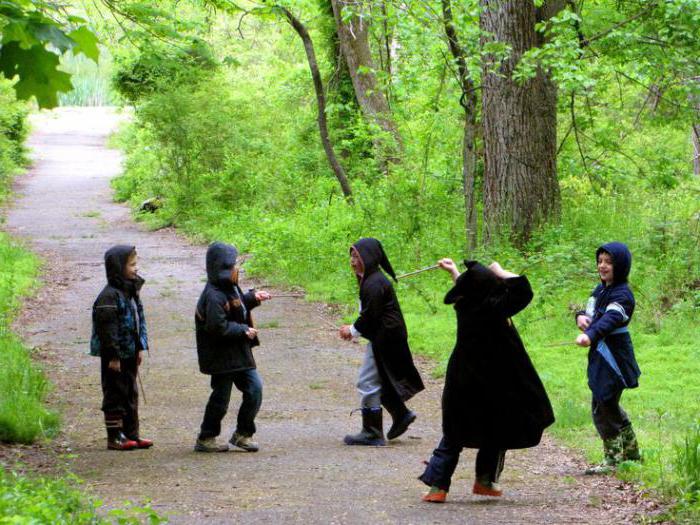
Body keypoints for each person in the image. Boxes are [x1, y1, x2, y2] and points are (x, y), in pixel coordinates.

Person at [419, 259, 554, 502]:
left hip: (462, 380)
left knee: (454, 432)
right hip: (493, 384)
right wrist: (501, 271)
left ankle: (437, 487)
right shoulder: (494, 308)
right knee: (496, 427)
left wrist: (454, 272)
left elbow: (468, 288)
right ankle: (485, 479)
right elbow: (523, 289)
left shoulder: (466, 305)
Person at [339, 237, 424, 446]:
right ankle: (401, 415)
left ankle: (372, 432)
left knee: (367, 381)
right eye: (351, 256)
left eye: (357, 256)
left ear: (369, 257)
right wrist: (355, 329)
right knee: (381, 378)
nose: (352, 261)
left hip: (386, 338)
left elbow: (370, 316)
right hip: (386, 336)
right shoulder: (372, 280)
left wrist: (351, 330)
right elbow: (370, 314)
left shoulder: (375, 282)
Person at [194, 242, 271, 453]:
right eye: (232, 265)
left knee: (255, 389)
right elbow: (217, 326)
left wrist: (253, 298)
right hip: (221, 357)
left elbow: (238, 306)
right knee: (221, 398)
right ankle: (206, 437)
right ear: (221, 266)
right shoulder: (213, 295)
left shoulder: (230, 287)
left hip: (239, 354)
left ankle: (243, 434)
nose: (236, 269)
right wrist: (243, 330)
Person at [574, 242, 641, 474]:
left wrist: (590, 335)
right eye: (600, 261)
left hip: (614, 357)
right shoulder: (600, 289)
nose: (602, 266)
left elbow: (610, 319)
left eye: (608, 262)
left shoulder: (623, 295)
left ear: (620, 266)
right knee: (606, 403)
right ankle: (632, 455)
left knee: (604, 403)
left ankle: (613, 459)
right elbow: (592, 313)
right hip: (600, 355)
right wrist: (580, 317)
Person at [90, 245, 152, 450]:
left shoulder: (130, 291)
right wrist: (113, 356)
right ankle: (114, 436)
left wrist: (139, 348)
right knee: (115, 393)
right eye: (132, 264)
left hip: (130, 352)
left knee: (130, 392)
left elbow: (137, 321)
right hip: (114, 357)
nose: (136, 268)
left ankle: (131, 433)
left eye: (136, 264)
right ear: (118, 267)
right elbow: (107, 331)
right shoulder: (108, 297)